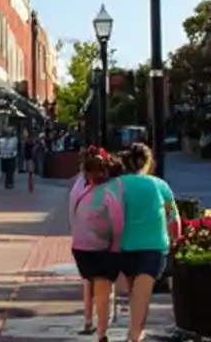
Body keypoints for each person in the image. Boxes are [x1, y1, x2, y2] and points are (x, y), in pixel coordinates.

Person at [117, 143, 181, 341]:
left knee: (134, 294)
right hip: (153, 246)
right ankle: (135, 334)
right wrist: (176, 239)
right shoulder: (159, 185)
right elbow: (173, 217)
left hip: (123, 246)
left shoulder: (116, 185)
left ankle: (136, 331)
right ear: (147, 162)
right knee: (142, 295)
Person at [70, 146, 125, 342]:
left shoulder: (78, 187)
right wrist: (117, 247)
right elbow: (118, 223)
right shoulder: (110, 190)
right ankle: (102, 332)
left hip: (80, 247)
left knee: (89, 283)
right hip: (102, 247)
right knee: (104, 291)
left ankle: (88, 319)